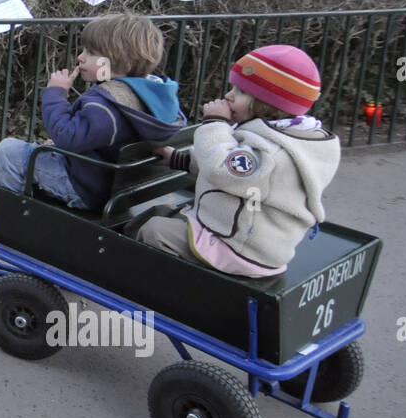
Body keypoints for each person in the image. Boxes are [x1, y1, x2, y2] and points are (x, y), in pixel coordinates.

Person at [131, 44, 340, 278]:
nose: (229, 95)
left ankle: (165, 286)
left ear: (267, 103)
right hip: (240, 235)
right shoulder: (286, 137)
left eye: (240, 91)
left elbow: (224, 170)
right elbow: (239, 171)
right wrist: (181, 160)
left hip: (240, 248)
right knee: (159, 213)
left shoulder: (273, 152)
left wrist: (214, 123)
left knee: (155, 230)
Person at [0, 13, 187, 211]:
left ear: (124, 64)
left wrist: (55, 93)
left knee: (9, 152)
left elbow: (67, 136)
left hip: (87, 189)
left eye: (91, 53)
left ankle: (12, 217)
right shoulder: (152, 94)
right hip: (120, 187)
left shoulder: (107, 107)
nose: (80, 57)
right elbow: (94, 139)